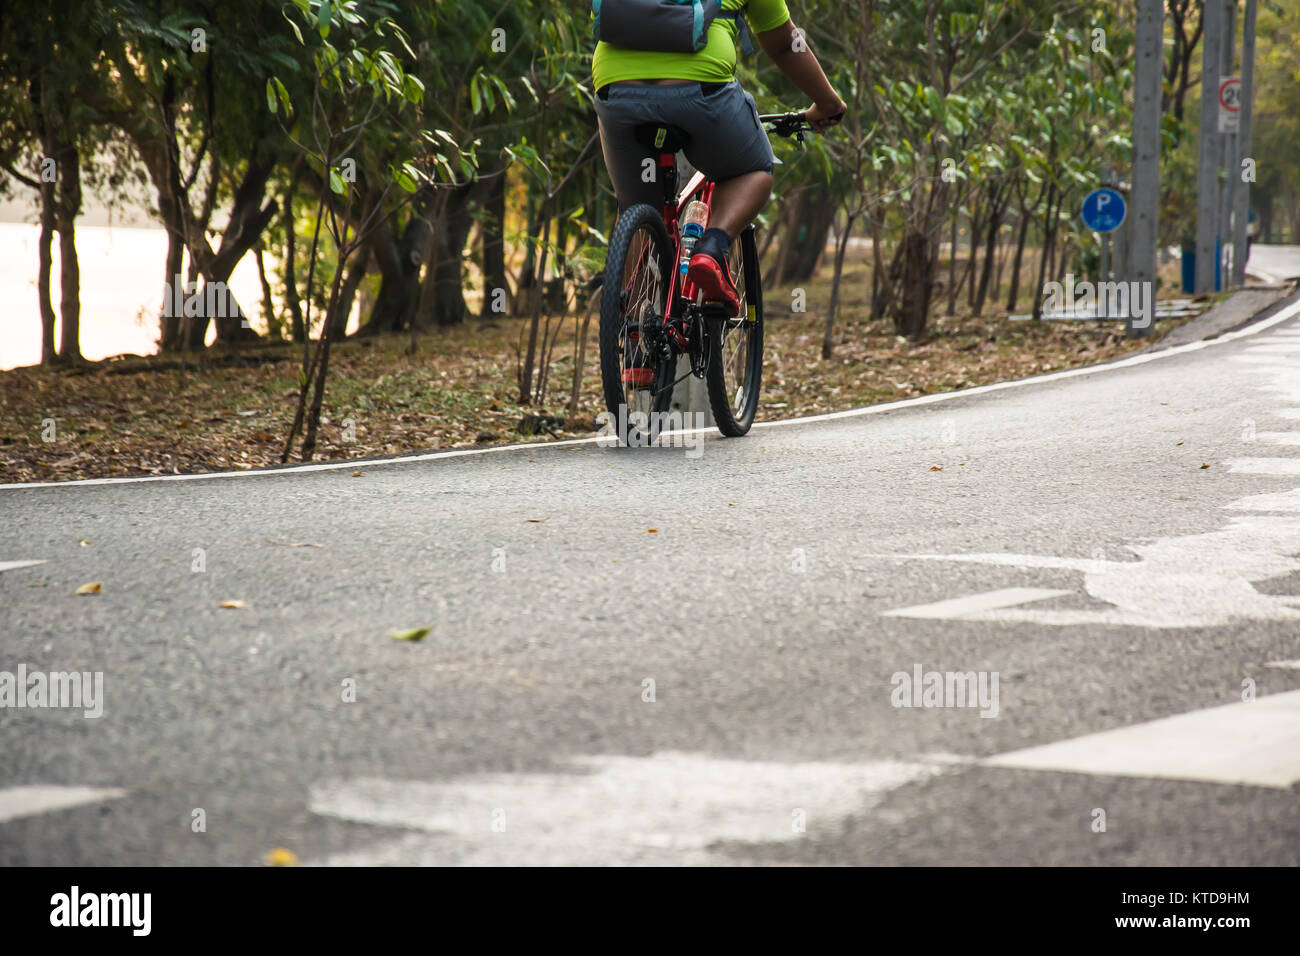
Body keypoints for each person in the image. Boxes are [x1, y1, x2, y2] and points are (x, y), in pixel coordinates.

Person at [592, 0, 845, 310]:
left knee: (638, 207)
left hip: (616, 92)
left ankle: (631, 335)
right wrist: (827, 103)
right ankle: (711, 249)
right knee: (752, 170)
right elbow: (784, 44)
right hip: (701, 89)